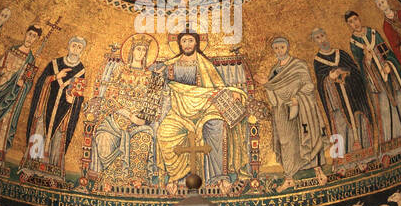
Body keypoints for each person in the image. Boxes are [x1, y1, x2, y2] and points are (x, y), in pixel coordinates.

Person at [152, 32, 248, 193]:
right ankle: (175, 176)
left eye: (191, 40)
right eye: (184, 41)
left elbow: (218, 87)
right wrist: (156, 73)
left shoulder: (205, 64)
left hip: (205, 109)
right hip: (179, 112)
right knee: (164, 132)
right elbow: (155, 81)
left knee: (216, 125)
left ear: (196, 43)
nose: (188, 44)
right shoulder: (170, 65)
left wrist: (232, 91)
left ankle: (219, 177)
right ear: (180, 44)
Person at [88, 35, 161, 189]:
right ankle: (110, 177)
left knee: (145, 133)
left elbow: (152, 109)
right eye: (138, 49)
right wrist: (128, 115)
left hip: (138, 123)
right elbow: (110, 98)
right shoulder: (120, 71)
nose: (140, 53)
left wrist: (140, 120)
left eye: (144, 50)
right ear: (132, 51)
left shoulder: (151, 77)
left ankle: (135, 178)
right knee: (104, 137)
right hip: (117, 118)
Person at [261, 36, 328, 188]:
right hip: (282, 111)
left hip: (302, 108)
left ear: (287, 47)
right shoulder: (274, 71)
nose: (279, 50)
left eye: (282, 47)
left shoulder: (298, 65)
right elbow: (273, 94)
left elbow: (309, 85)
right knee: (286, 143)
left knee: (309, 137)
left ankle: (319, 172)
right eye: (276, 48)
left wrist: (298, 98)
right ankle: (289, 178)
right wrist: (267, 85)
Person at [345, 11, 401, 143]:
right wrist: (367, 60)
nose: (354, 23)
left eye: (355, 19)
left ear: (359, 19)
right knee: (384, 107)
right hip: (375, 81)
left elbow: (386, 51)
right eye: (350, 22)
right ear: (348, 25)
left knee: (399, 100)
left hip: (389, 73)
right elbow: (360, 65)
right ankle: (391, 141)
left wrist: (389, 63)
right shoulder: (354, 43)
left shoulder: (373, 33)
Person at [23, 36, 88, 171]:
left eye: (79, 47)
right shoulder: (54, 64)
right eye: (74, 45)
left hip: (64, 112)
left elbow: (79, 95)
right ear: (68, 46)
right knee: (41, 129)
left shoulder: (81, 70)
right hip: (46, 105)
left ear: (82, 51)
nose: (75, 49)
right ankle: (32, 164)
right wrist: (54, 77)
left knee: (58, 137)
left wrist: (73, 99)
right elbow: (40, 83)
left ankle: (52, 168)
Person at [310, 27, 374, 156]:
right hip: (337, 105)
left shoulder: (341, 54)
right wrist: (329, 79)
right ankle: (345, 159)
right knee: (342, 127)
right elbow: (321, 85)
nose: (322, 39)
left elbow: (355, 71)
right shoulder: (318, 61)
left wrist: (345, 72)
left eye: (322, 35)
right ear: (314, 41)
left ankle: (368, 154)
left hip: (353, 98)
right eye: (318, 37)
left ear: (326, 35)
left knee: (360, 122)